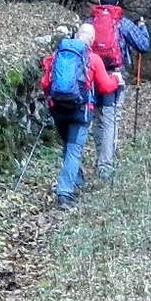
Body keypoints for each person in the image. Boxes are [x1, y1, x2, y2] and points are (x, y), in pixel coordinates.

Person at [39, 22, 120, 209]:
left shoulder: (57, 55)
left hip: (58, 109)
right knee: (74, 149)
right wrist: (116, 79)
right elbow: (106, 86)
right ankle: (65, 193)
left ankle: (77, 180)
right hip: (80, 112)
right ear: (91, 40)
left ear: (77, 35)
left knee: (68, 147)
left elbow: (45, 83)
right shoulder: (93, 59)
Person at [86, 0, 149, 179]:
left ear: (99, 1)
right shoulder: (122, 23)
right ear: (118, 3)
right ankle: (105, 166)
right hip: (115, 77)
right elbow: (144, 45)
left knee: (97, 119)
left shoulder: (90, 22)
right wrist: (143, 26)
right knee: (111, 119)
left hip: (93, 76)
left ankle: (102, 158)